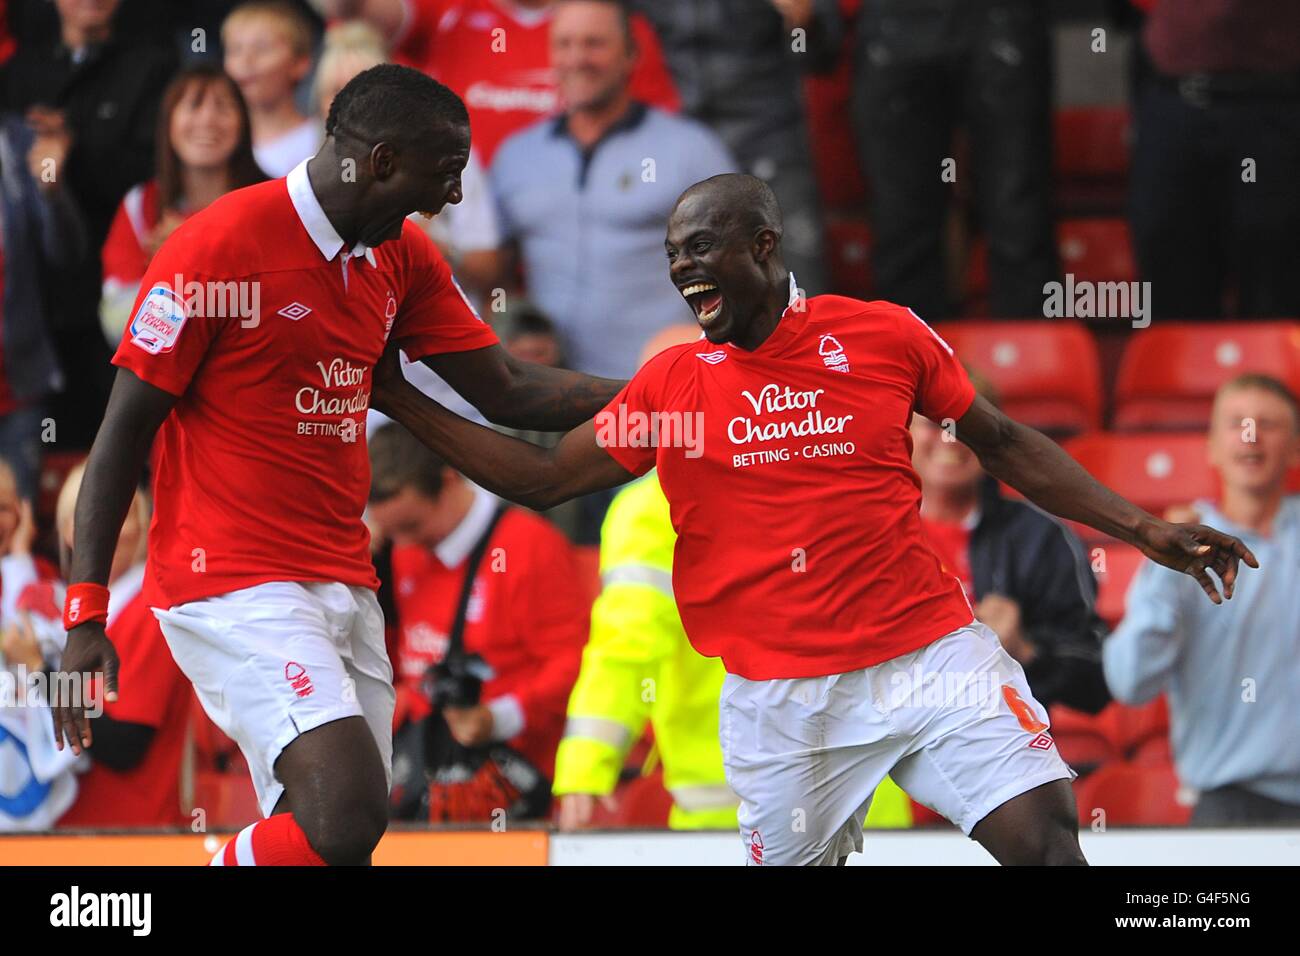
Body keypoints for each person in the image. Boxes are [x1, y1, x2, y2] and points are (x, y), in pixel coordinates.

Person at [372, 172, 1258, 866]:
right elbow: (536, 477)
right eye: (673, 255)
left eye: (700, 248)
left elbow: (1005, 443)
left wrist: (1144, 530)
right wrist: (397, 394)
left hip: (927, 656)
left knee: (1049, 846)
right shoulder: (675, 386)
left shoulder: (882, 336)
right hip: (781, 699)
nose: (682, 269)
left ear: (764, 245)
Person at [54, 64, 625, 867]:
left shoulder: (401, 258)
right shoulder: (218, 244)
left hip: (342, 576)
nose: (454, 198)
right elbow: (118, 436)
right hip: (232, 581)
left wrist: (674, 390)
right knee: (346, 813)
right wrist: (85, 616)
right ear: (383, 161)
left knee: (337, 842)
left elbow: (509, 388)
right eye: (445, 173)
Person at [490, 0, 735, 381]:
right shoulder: (517, 155)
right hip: (550, 397)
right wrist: (516, 326)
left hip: (663, 390)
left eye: (594, 44)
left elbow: (742, 269)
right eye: (565, 44)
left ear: (631, 55)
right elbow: (494, 275)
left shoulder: (691, 150)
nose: (578, 58)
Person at [1104, 374, 1300, 825]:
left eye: (1267, 424)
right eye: (1237, 423)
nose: (1251, 437)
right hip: (1230, 807)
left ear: (1294, 448)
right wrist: (1163, 571)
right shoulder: (1182, 547)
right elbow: (1130, 682)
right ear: (1211, 446)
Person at [368, 424, 587, 803]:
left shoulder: (529, 547)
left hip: (511, 776)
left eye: (411, 526)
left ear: (450, 479)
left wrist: (496, 717)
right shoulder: (400, 550)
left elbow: (574, 665)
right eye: (391, 532)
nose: (404, 543)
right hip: (417, 768)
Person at [0, 0, 176, 447]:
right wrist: (47, 172)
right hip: (34, 301)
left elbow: (156, 172)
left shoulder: (152, 66)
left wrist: (72, 152)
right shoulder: (19, 72)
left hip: (126, 284)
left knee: (122, 444)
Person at [912, 367, 1110, 714]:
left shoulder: (1040, 536)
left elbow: (1099, 679)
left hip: (1003, 750)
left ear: (994, 441)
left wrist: (1025, 650)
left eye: (968, 426)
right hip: (888, 755)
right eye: (934, 422)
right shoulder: (866, 532)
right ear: (904, 432)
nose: (950, 438)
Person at [849, 0, 1058, 320]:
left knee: (1019, 218)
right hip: (894, 24)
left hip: (1001, 17)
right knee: (901, 227)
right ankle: (911, 363)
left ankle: (1032, 365)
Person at [627, 0, 842, 296]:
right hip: (676, 146)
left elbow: (819, 58)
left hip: (769, 141)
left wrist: (804, 23)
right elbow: (600, 33)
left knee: (798, 287)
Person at [317, 0, 680, 164]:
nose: (577, 55)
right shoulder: (445, 9)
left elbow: (660, 141)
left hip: (569, 231)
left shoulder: (605, 25)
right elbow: (351, 10)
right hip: (459, 223)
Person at [1128, 0, 1300, 319]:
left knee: (1274, 277)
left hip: (1273, 101)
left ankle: (1276, 368)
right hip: (1173, 98)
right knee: (1169, 268)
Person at [43, 464, 191, 829]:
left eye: (123, 514)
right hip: (71, 833)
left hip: (130, 835)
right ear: (66, 531)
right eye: (90, 515)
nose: (107, 528)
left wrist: (39, 675)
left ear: (142, 527)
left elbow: (127, 745)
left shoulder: (150, 611)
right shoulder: (60, 611)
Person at [312, 19, 501, 301]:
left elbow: (488, 270)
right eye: (336, 91)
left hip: (435, 322)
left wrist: (434, 246)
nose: (348, 107)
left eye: (362, 93)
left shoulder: (446, 153)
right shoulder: (304, 165)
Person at [101, 64, 266, 345]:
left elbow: (279, 311)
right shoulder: (141, 205)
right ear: (168, 122)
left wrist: (185, 253)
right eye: (193, 105)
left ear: (244, 123)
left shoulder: (272, 203)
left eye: (223, 107)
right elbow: (118, 325)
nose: (207, 120)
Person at [222, 1, 321, 177]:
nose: (245, 60)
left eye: (262, 48)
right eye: (235, 50)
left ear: (301, 62)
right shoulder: (219, 142)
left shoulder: (320, 138)